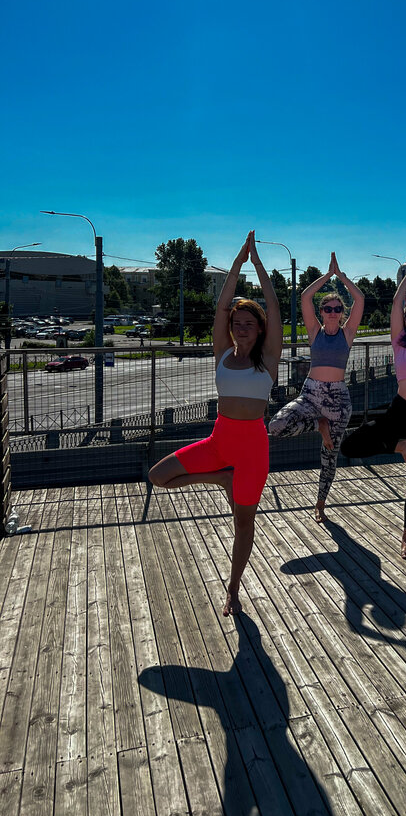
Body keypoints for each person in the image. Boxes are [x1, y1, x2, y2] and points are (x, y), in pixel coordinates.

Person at [148, 231, 282, 617]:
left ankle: (233, 589)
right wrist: (236, 264)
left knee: (243, 524)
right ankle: (220, 477)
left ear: (259, 330)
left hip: (253, 448)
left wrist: (257, 264)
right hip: (219, 442)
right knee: (158, 476)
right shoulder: (222, 353)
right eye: (237, 323)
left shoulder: (268, 358)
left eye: (248, 324)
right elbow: (221, 309)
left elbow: (272, 308)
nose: (241, 327)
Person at [341, 243, 406, 558]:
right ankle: (400, 445)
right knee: (349, 447)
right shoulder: (399, 345)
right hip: (398, 414)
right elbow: (397, 302)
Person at [268, 252, 364, 522]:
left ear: (342, 313)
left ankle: (320, 504)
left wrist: (342, 276)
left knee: (329, 455)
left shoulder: (347, 332)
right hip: (311, 393)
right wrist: (327, 275)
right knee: (276, 426)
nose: (332, 313)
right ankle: (317, 425)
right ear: (321, 313)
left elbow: (360, 299)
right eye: (328, 309)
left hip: (338, 399)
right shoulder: (315, 331)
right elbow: (305, 297)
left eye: (337, 309)